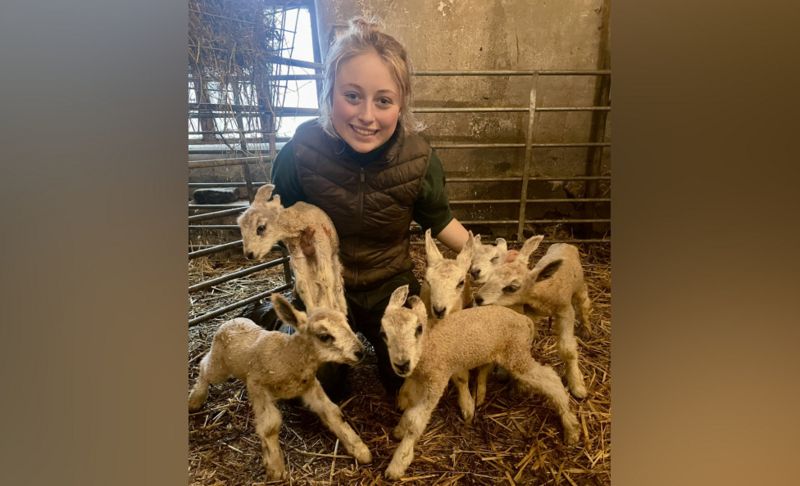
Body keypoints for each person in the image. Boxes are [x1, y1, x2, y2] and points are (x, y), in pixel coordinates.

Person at [270, 17, 470, 401]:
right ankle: (278, 319)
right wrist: (302, 255)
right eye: (352, 96)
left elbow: (439, 219)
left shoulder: (418, 158)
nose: (366, 116)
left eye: (383, 100)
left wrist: (486, 258)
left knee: (415, 378)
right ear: (330, 92)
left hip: (387, 285)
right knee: (308, 386)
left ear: (401, 104)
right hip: (325, 287)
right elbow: (278, 224)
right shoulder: (300, 152)